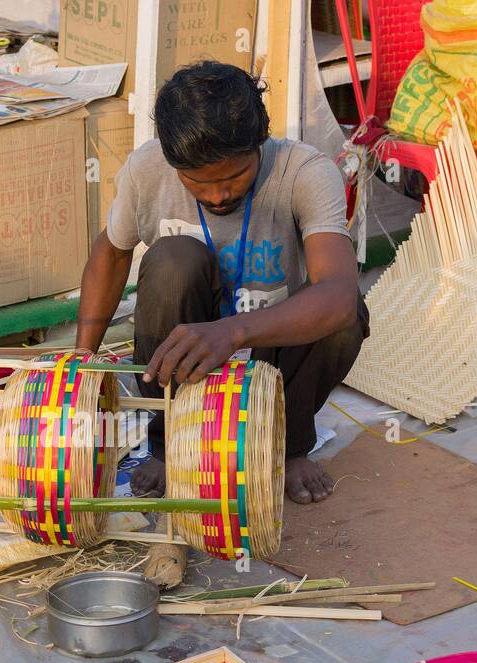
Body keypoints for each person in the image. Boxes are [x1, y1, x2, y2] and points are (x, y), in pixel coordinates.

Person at [75, 61, 368, 505]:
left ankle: (288, 445)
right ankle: (167, 439)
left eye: (233, 177)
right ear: (173, 162)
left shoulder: (303, 170)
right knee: (173, 258)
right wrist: (83, 358)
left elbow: (340, 295)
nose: (217, 195)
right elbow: (112, 254)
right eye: (197, 182)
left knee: (344, 316)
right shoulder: (147, 169)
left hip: (274, 353)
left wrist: (232, 333)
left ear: (259, 143)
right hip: (186, 355)